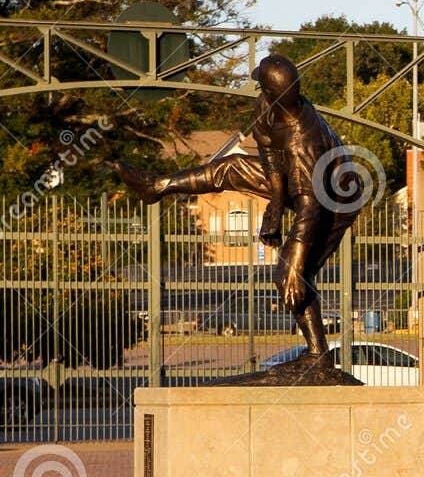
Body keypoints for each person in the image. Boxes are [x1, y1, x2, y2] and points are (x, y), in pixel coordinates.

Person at [113, 54, 364, 374]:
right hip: (302, 183)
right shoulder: (266, 107)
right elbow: (272, 158)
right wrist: (274, 206)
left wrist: (296, 260)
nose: (258, 88)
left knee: (290, 273)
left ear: (275, 93)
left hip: (336, 199)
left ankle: (318, 354)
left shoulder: (304, 139)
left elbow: (310, 206)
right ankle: (158, 186)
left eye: (262, 84)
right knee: (231, 166)